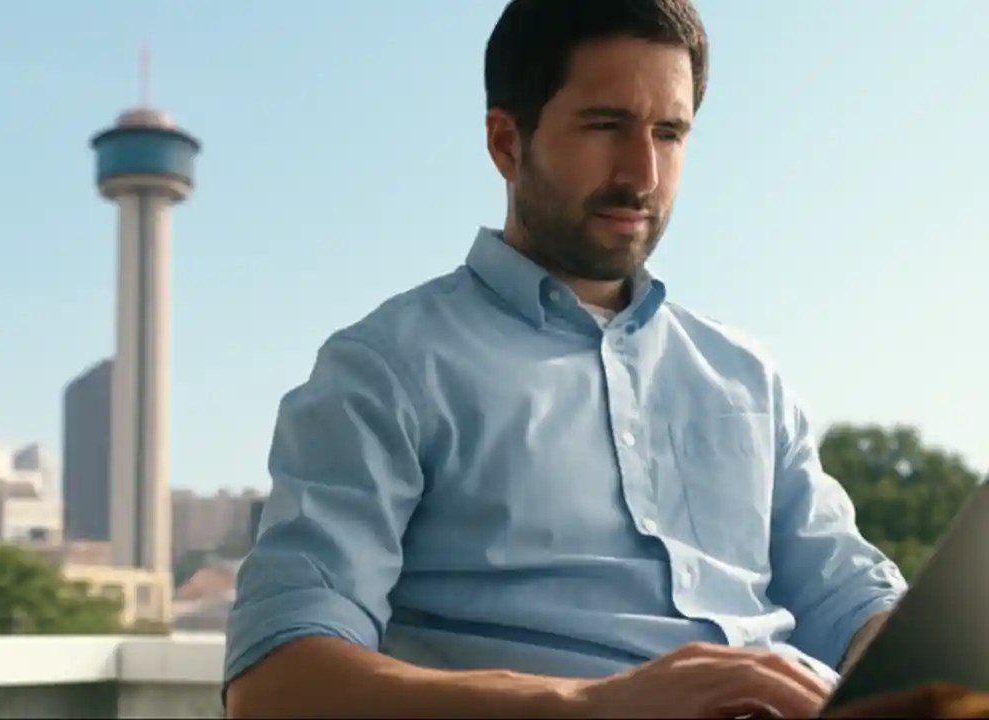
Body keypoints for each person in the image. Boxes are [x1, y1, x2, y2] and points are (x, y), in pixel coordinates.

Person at [223, 0, 908, 717]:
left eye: (669, 133)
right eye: (606, 125)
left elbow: (851, 596)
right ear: (506, 142)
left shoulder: (745, 376)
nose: (642, 173)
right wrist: (592, 706)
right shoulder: (386, 369)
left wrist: (921, 674)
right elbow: (276, 683)